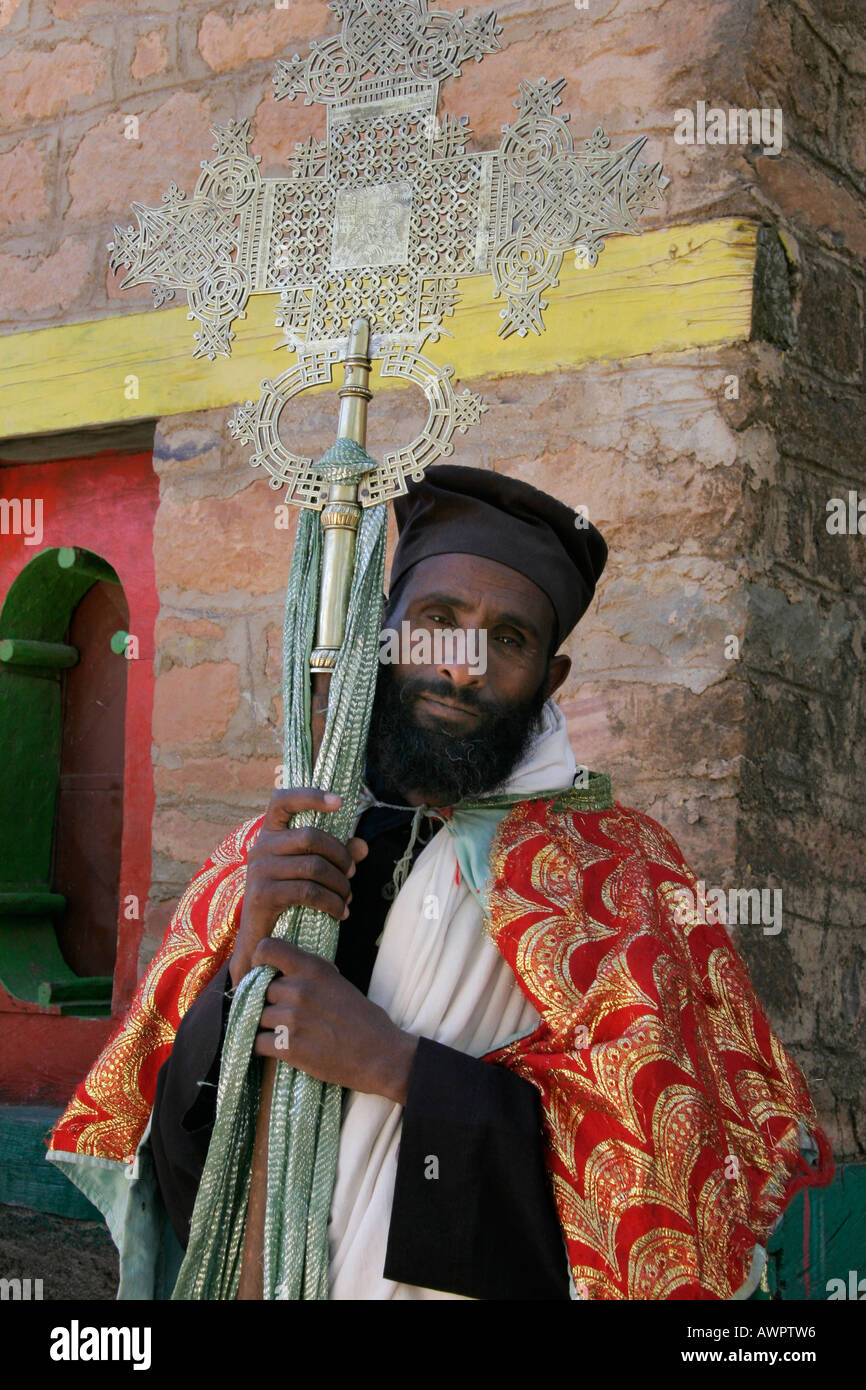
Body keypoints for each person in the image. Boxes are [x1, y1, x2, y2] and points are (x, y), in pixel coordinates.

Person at [47, 465, 833, 1300]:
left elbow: (654, 1191)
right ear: (383, 634)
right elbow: (180, 1155)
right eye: (438, 623)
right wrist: (243, 967)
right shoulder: (283, 841)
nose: (463, 668)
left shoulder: (617, 874)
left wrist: (398, 1067)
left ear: (552, 681)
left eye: (510, 640)